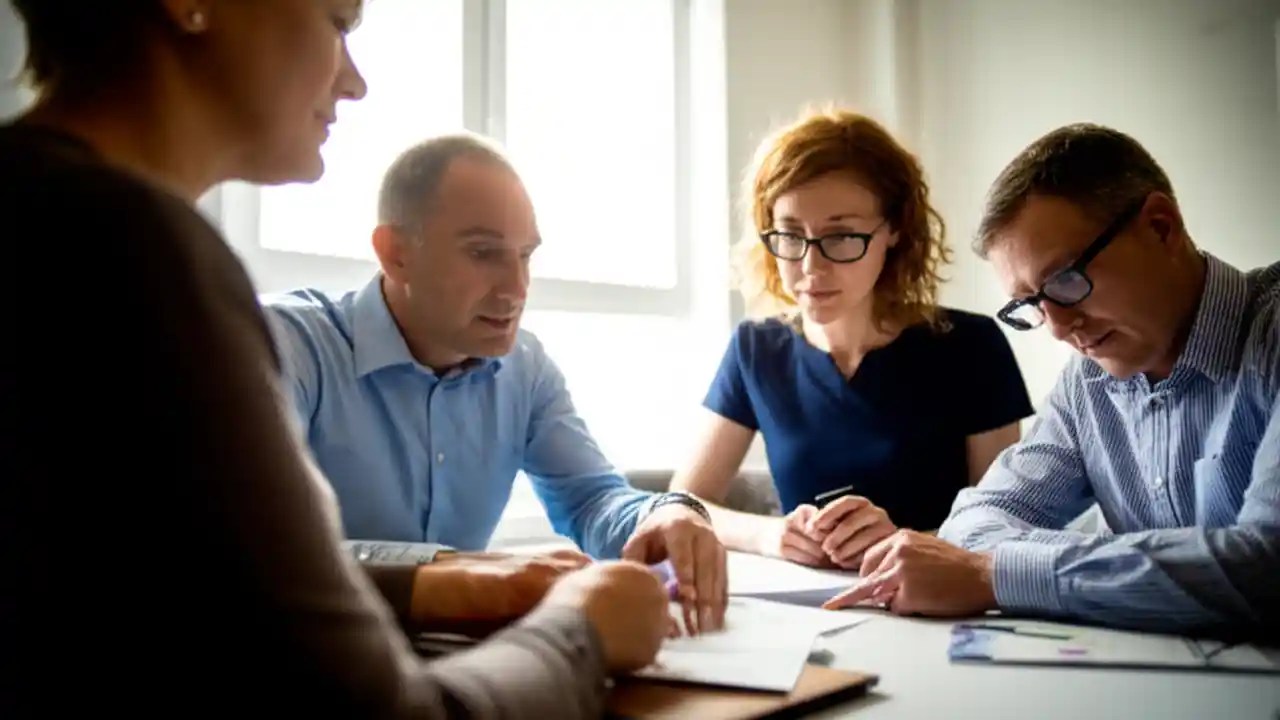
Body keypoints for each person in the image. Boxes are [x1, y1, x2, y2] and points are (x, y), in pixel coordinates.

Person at [0, 1, 671, 717]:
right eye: (337, 20)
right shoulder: (133, 254)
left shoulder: (49, 213)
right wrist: (582, 631)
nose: (354, 83)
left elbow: (208, 595)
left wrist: (666, 514)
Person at [823, 123, 1279, 641]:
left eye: (1065, 281)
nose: (1059, 329)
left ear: (1160, 227)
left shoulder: (1272, 336)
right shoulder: (1087, 384)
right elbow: (977, 518)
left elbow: (1266, 567)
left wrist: (993, 576)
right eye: (1031, 305)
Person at [261, 132, 727, 633]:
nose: (516, 288)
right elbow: (261, 552)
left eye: (525, 255)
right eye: (484, 253)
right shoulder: (283, 347)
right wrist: (472, 578)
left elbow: (592, 499)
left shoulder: (524, 368)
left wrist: (666, 513)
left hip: (453, 660)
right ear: (395, 253)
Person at [669, 109, 1034, 570]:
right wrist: (771, 535)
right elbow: (684, 504)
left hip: (939, 607)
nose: (810, 268)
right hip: (806, 610)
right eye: (790, 234)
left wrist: (908, 542)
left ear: (895, 231)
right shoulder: (755, 349)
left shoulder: (972, 345)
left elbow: (1007, 524)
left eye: (841, 236)